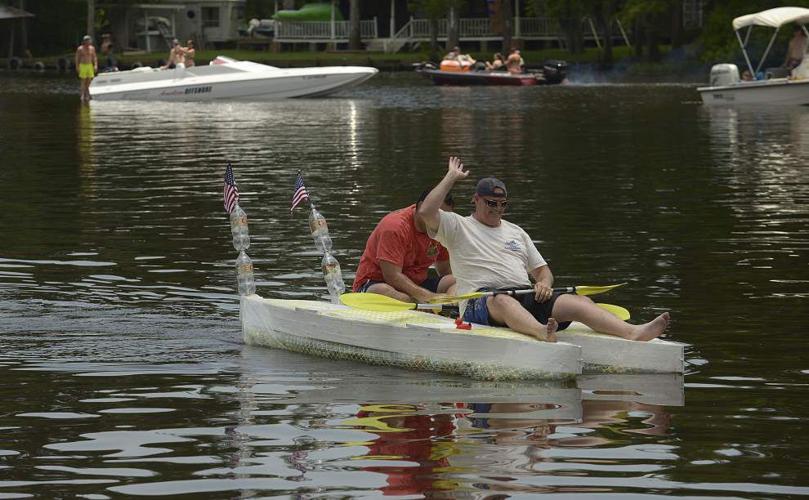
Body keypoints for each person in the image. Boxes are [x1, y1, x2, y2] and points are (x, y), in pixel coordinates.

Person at [417, 156, 671, 342]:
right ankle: (540, 332)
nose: (497, 209)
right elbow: (426, 211)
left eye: (503, 204)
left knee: (578, 301)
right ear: (476, 200)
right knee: (502, 300)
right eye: (491, 203)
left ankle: (633, 332)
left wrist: (544, 283)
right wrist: (451, 177)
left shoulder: (516, 231)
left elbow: (543, 271)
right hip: (479, 302)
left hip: (524, 294)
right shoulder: (457, 226)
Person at [352, 190, 456, 304]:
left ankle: (448, 309)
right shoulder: (394, 227)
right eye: (439, 215)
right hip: (378, 283)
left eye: (446, 217)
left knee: (456, 281)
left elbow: (445, 270)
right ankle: (427, 306)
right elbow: (392, 276)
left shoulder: (440, 229)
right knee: (387, 292)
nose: (441, 222)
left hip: (416, 286)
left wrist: (451, 294)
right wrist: (428, 296)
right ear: (422, 207)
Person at [74, 35, 98, 102]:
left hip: (89, 65)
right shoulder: (80, 49)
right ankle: (82, 95)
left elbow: (94, 57)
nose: (88, 41)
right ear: (84, 41)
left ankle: (88, 94)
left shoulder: (92, 48)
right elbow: (77, 58)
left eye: (89, 40)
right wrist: (77, 66)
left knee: (89, 81)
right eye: (87, 40)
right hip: (83, 65)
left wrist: (95, 65)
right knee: (83, 81)